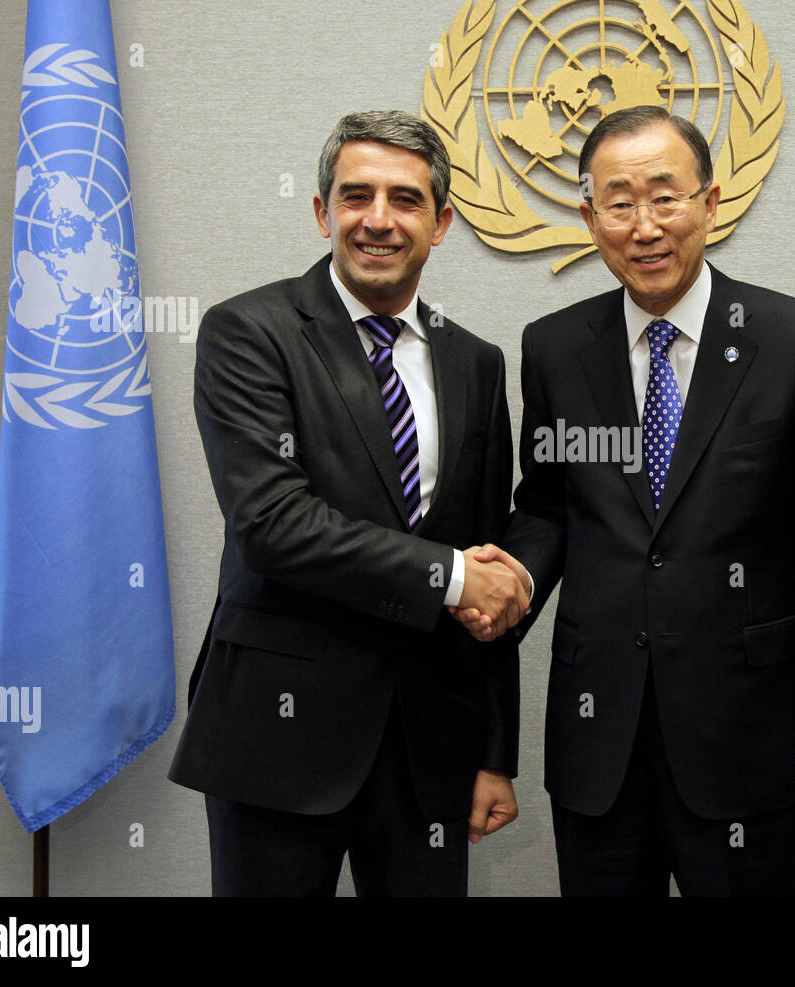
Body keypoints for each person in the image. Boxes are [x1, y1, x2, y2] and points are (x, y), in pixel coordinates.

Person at [456, 105, 795, 896]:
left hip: (748, 726)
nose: (644, 225)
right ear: (589, 217)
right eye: (619, 202)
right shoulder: (553, 347)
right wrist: (509, 579)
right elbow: (548, 505)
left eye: (665, 196)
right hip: (598, 729)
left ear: (710, 203)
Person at [168, 110, 528, 896]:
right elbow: (272, 524)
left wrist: (494, 749)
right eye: (355, 195)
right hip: (276, 736)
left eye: (405, 199)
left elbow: (488, 554)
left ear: (442, 222)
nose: (378, 219)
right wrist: (452, 578)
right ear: (323, 212)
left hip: (429, 744)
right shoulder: (248, 331)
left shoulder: (479, 363)